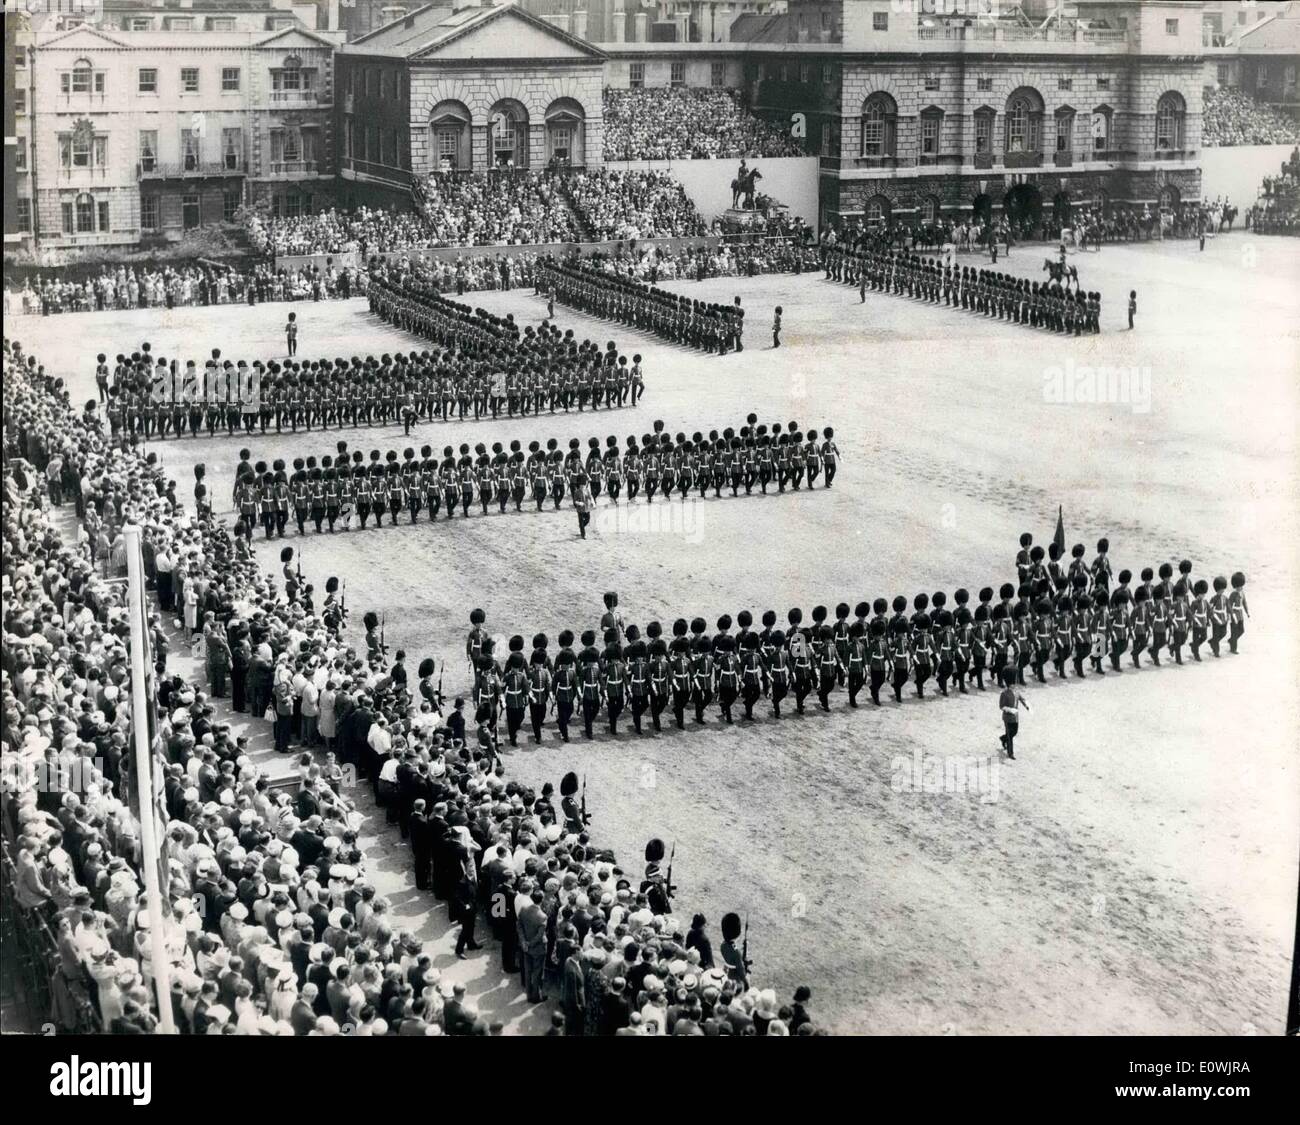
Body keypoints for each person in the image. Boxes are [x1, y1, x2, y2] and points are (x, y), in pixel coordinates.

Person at [997, 669, 1030, 760]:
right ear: (1008, 685)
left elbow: (1021, 699)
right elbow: (1001, 706)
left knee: (1014, 732)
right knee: (1009, 736)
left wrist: (1027, 706)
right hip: (1007, 718)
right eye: (1011, 684)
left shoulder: (1016, 692)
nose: (1013, 686)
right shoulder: (1004, 694)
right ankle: (1010, 753)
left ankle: (1003, 739)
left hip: (1015, 717)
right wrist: (1010, 710)